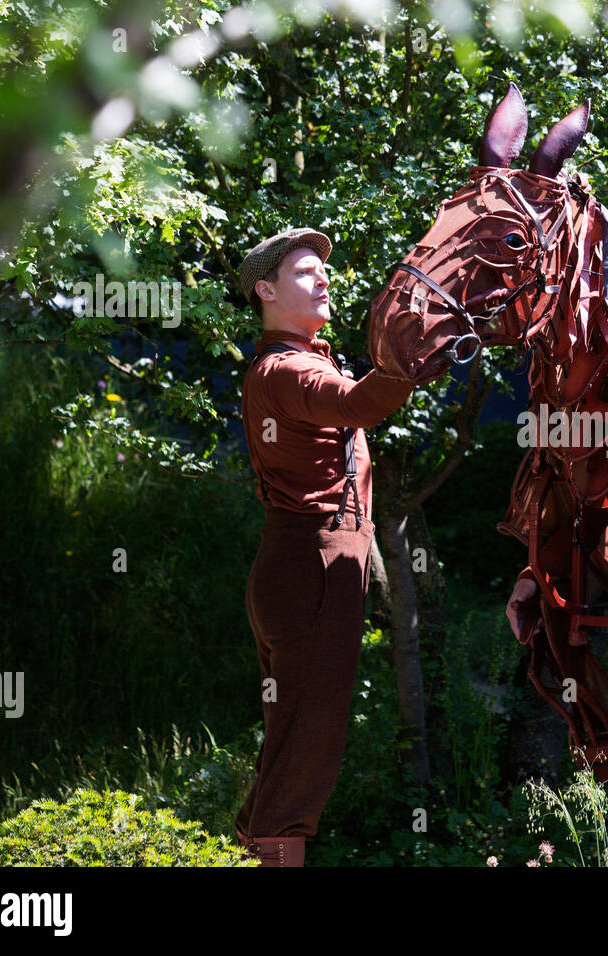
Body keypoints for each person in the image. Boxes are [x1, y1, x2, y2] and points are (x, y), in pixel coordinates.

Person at [233, 228, 413, 866]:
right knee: (305, 748)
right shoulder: (285, 370)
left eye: (323, 272)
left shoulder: (303, 360)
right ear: (265, 290)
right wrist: (416, 347)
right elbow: (360, 403)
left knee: (292, 742)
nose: (324, 280)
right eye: (306, 272)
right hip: (310, 567)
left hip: (308, 568)